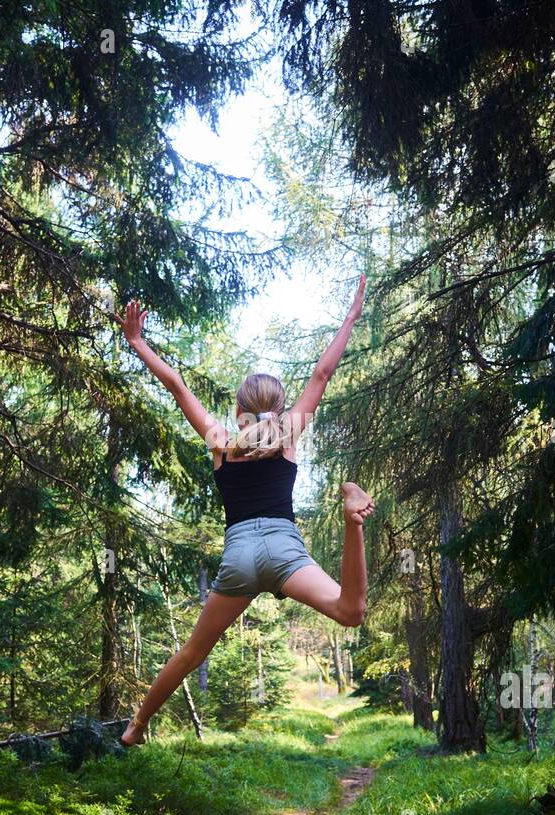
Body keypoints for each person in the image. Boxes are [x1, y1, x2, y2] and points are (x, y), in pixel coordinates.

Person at [118, 274, 374, 746]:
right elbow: (322, 374)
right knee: (350, 611)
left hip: (238, 558)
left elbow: (175, 386)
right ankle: (350, 521)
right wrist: (351, 317)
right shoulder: (289, 434)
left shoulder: (221, 442)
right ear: (278, 407)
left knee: (192, 651)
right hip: (284, 551)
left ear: (238, 408)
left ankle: (136, 727)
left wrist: (137, 341)